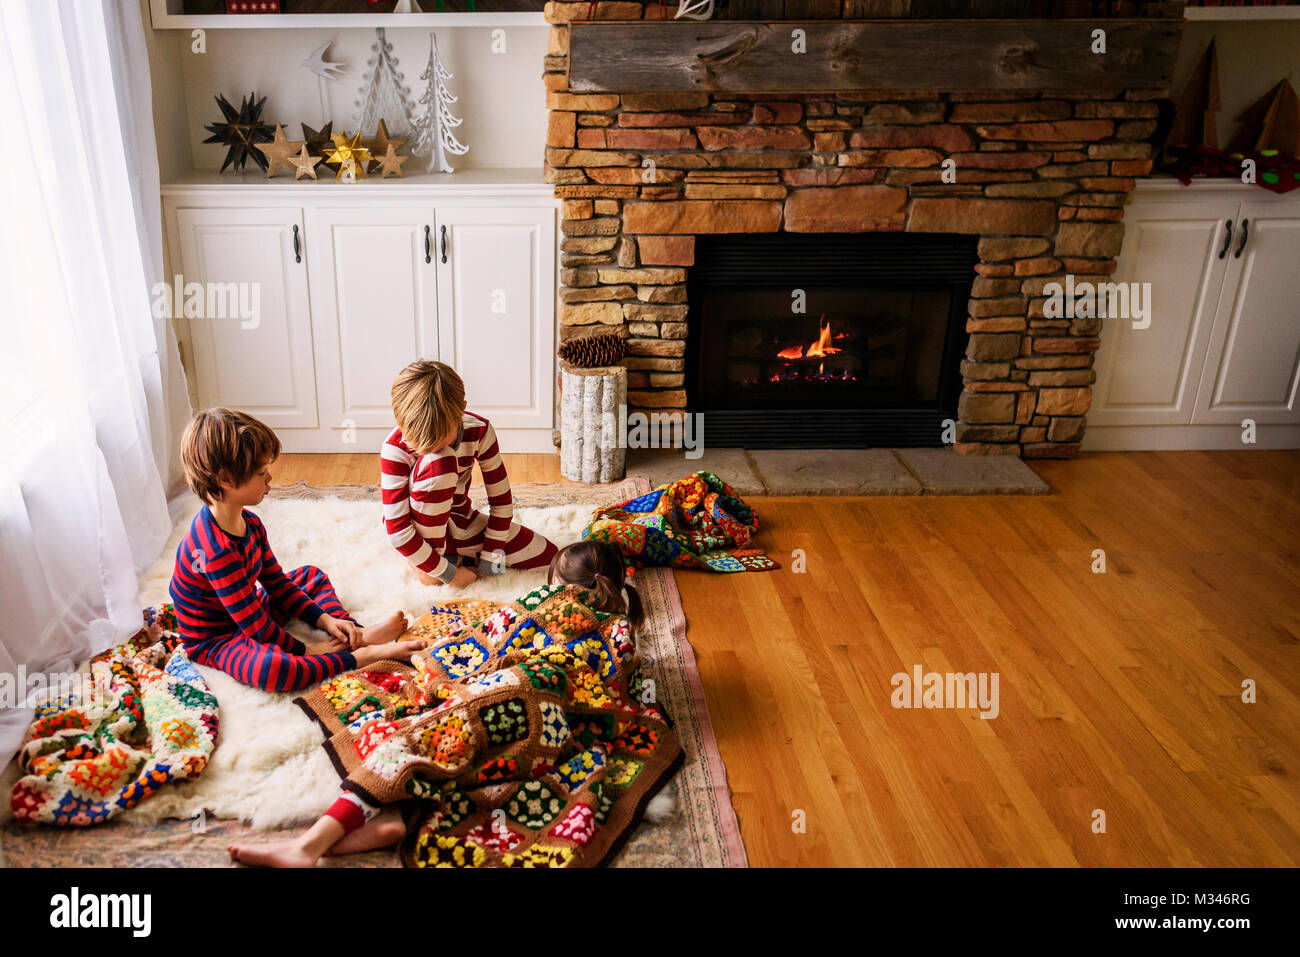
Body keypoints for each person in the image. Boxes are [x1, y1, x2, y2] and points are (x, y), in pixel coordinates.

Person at [227, 540, 642, 867]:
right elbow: (616, 689)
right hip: (549, 714)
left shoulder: (539, 602)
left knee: (423, 735)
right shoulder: (620, 628)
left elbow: (486, 641)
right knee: (478, 754)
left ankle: (309, 845)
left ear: (556, 580)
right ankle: (394, 816)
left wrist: (434, 658)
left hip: (518, 687)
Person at [169, 408, 422, 692]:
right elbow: (255, 627)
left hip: (247, 607)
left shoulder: (249, 523)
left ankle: (354, 634)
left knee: (309, 576)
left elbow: (277, 584)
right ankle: (359, 655)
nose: (269, 479)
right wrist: (305, 651)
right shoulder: (215, 551)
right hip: (218, 638)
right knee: (273, 669)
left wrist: (326, 620)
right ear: (226, 480)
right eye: (261, 472)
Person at [380, 360, 558, 589]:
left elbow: (501, 503)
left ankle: (440, 559)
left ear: (461, 410)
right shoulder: (395, 447)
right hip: (418, 527)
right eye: (422, 442)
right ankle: (429, 567)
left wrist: (488, 564)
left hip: (460, 520)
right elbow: (399, 532)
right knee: (440, 462)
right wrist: (451, 575)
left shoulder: (480, 431)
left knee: (549, 557)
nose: (430, 446)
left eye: (439, 437)